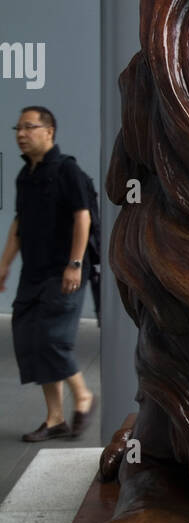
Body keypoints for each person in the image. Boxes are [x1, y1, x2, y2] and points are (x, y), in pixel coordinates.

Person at [0, 108, 96, 440]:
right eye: (18, 128)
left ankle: (82, 395)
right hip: (33, 273)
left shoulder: (67, 169)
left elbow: (82, 218)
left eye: (29, 127)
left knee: (50, 339)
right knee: (29, 339)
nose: (21, 134)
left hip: (63, 272)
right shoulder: (25, 175)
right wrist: (4, 263)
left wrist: (75, 263)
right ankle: (55, 418)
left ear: (49, 131)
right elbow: (18, 224)